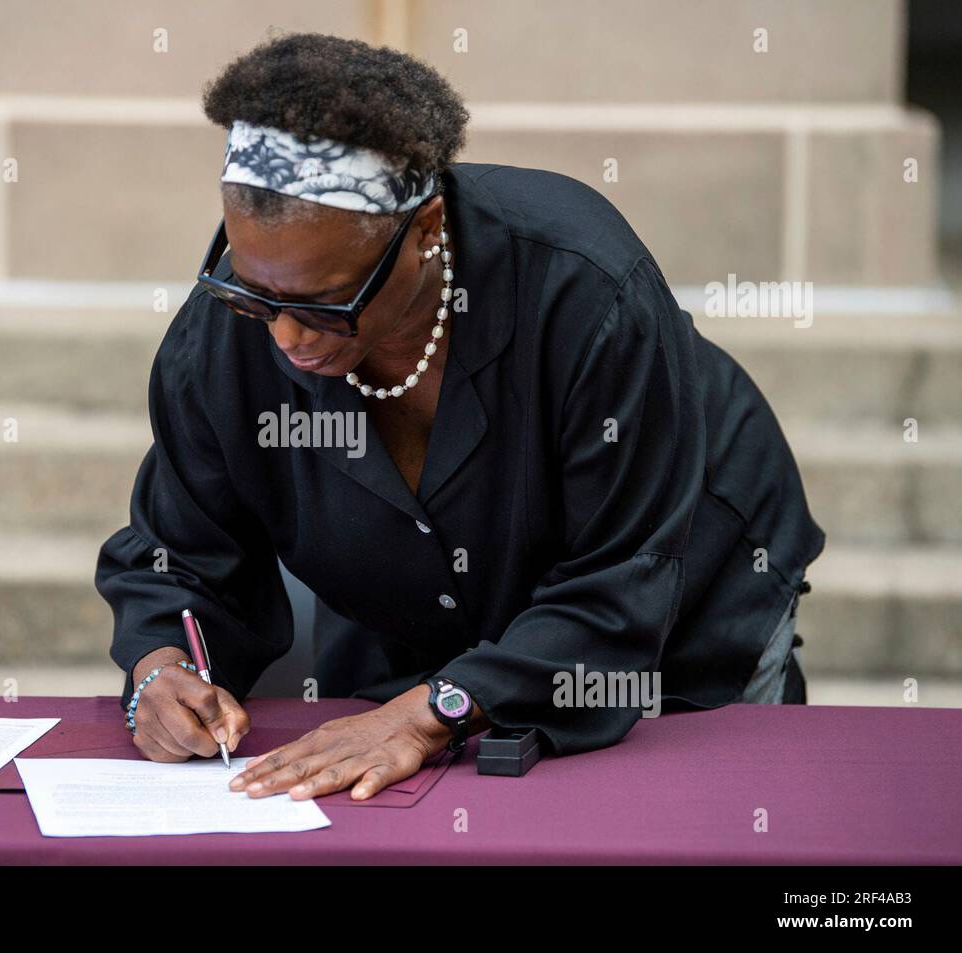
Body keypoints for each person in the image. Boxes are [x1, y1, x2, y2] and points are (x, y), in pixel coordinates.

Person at [95, 33, 825, 802]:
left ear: (427, 229)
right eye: (255, 291)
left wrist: (432, 712)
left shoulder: (581, 289)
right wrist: (162, 669)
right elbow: (180, 550)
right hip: (411, 626)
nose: (286, 337)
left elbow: (624, 581)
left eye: (326, 301)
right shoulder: (224, 336)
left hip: (672, 617)